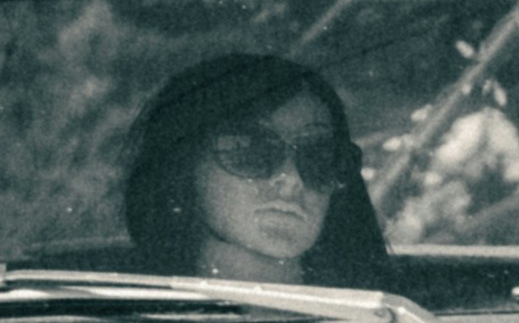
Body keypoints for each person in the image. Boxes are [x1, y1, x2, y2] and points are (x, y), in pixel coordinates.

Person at [115, 55, 396, 287]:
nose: (291, 181)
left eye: (319, 158)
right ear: (183, 171)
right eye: (250, 150)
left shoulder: (404, 321)